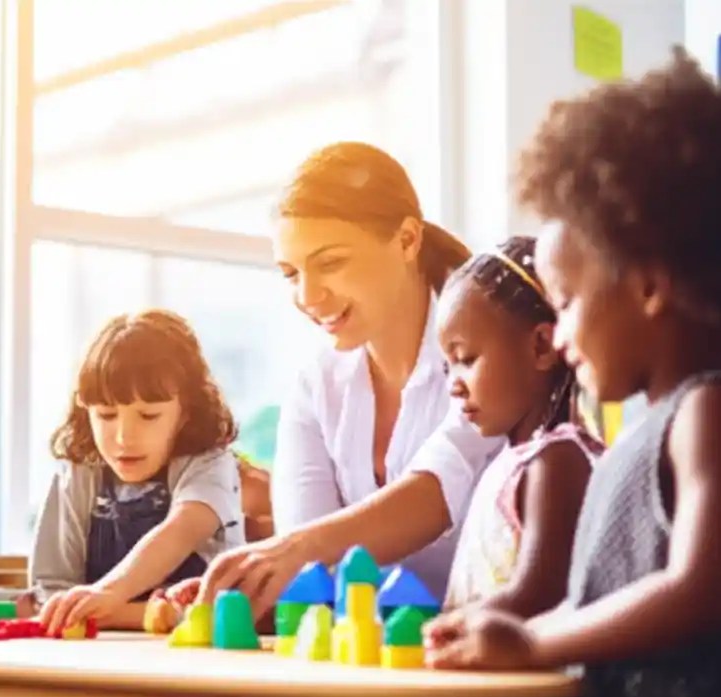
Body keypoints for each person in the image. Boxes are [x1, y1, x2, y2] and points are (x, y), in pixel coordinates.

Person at [425, 49, 721, 697]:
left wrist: (530, 642)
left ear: (651, 287)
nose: (560, 331)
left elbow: (699, 588)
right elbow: (590, 609)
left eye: (568, 301)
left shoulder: (710, 412)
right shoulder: (634, 443)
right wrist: (498, 631)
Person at [199, 141, 501, 614]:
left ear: (407, 240)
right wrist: (241, 587)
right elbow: (306, 562)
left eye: (330, 263)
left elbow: (436, 492)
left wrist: (296, 549)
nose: (308, 295)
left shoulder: (487, 355)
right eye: (290, 273)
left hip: (485, 650)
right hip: (367, 654)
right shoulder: (316, 385)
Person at [30, 309, 245, 633]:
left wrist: (107, 598)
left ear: (185, 412)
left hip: (196, 658)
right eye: (105, 415)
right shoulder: (78, 475)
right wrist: (149, 614)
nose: (123, 438)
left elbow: (182, 530)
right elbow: (52, 594)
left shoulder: (208, 465)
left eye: (148, 416)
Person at [436, 236, 600, 614]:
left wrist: (440, 628)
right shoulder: (514, 461)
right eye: (447, 366)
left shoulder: (558, 462)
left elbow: (539, 596)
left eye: (466, 358)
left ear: (541, 346)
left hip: (530, 674)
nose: (452, 384)